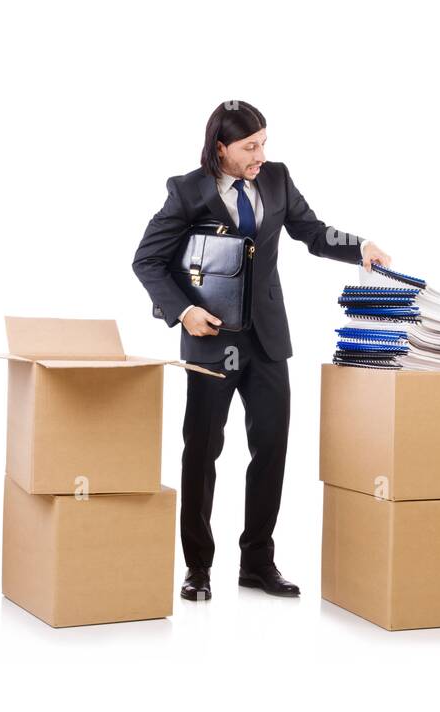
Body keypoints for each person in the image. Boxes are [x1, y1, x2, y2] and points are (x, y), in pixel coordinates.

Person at [131, 100, 390, 602]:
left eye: (265, 143)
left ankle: (257, 562)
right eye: (250, 147)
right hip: (211, 340)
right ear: (220, 148)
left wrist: (359, 247)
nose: (260, 155)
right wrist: (184, 312)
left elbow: (312, 232)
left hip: (267, 340)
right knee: (202, 452)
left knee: (271, 448)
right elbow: (148, 260)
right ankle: (198, 567)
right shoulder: (187, 192)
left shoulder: (275, 179)